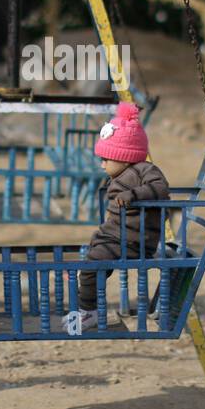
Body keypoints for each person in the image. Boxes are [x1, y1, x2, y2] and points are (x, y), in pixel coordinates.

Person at [66, 102, 169, 334]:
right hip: (117, 235)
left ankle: (89, 312)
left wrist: (133, 195)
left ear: (124, 158)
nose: (102, 164)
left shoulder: (145, 171)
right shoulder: (122, 174)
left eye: (106, 159)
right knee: (92, 254)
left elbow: (161, 188)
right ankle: (88, 303)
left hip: (134, 240)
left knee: (93, 263)